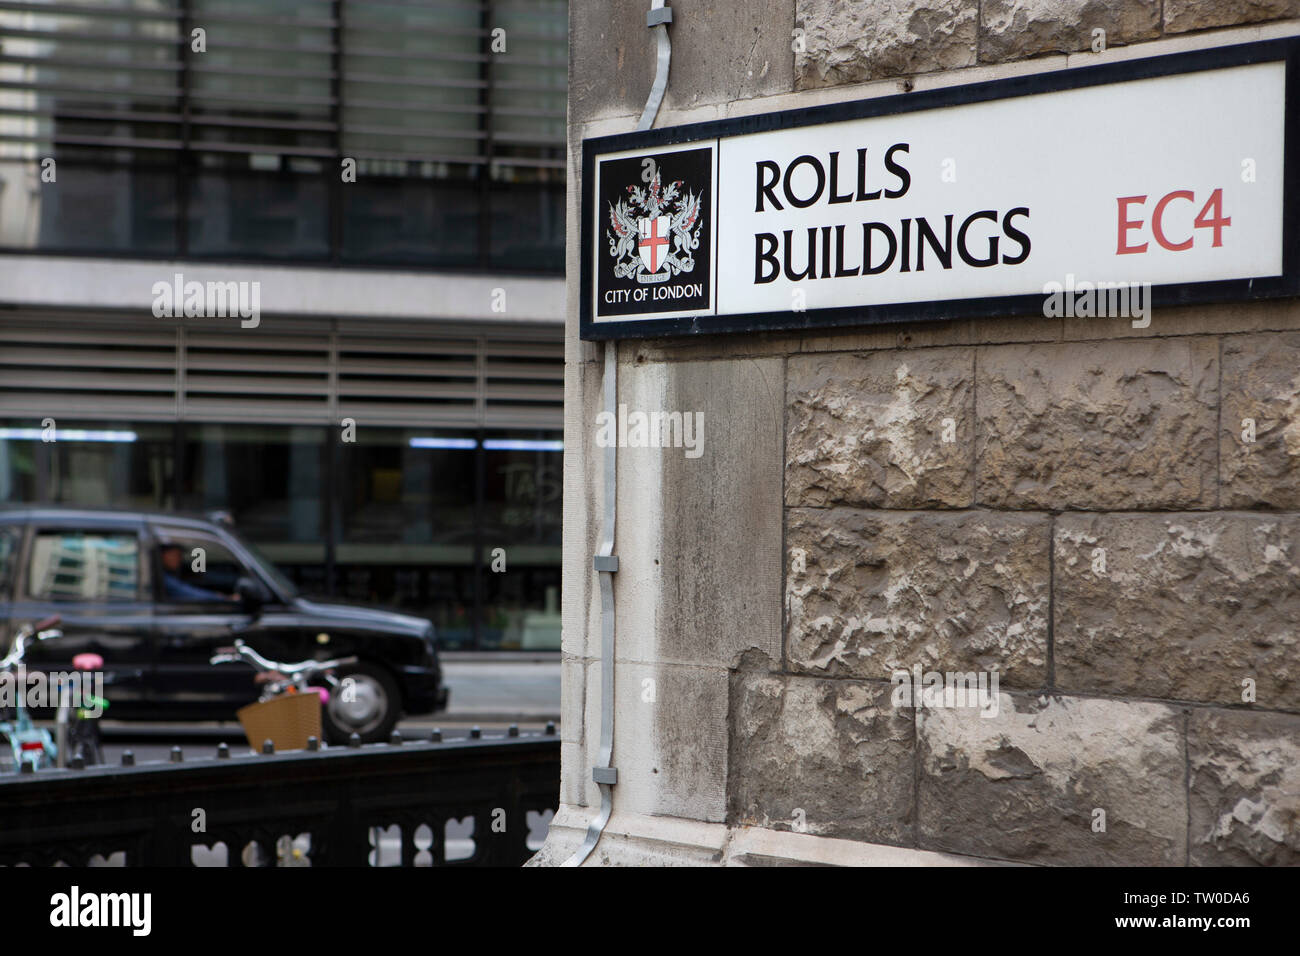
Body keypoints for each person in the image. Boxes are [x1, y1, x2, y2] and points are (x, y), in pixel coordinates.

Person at [159, 544, 235, 603]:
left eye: (180, 555)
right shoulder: (164, 578)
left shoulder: (168, 574)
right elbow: (188, 592)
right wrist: (222, 598)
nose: (180, 559)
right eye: (176, 555)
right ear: (164, 556)